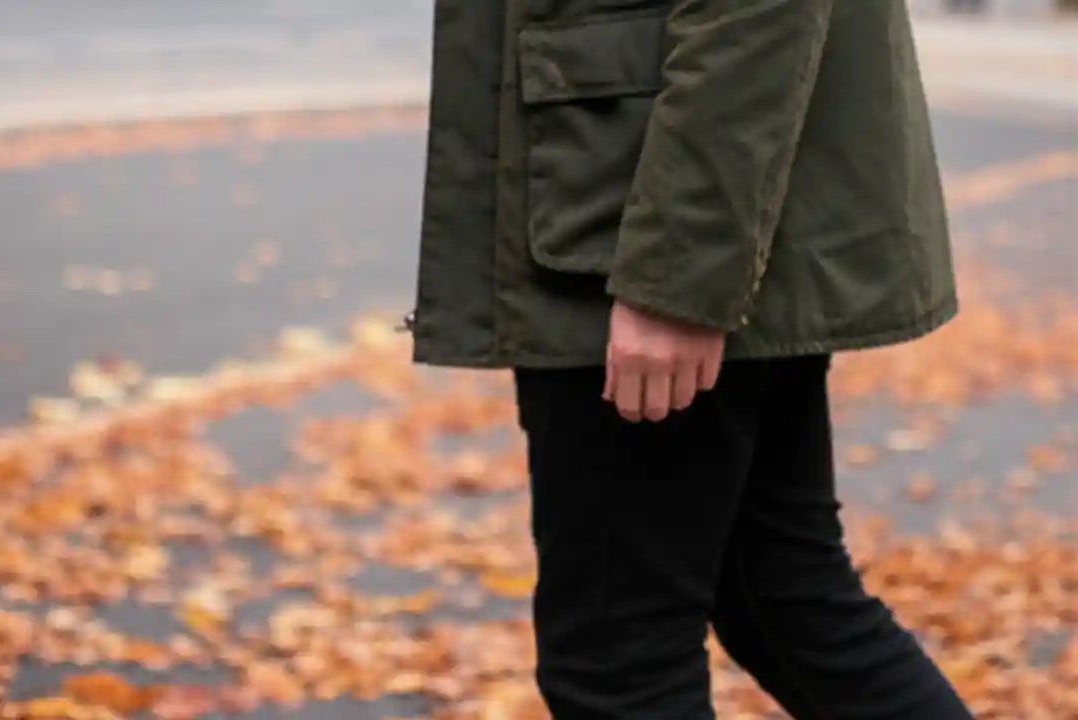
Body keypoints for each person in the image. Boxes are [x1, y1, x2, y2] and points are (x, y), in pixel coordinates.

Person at [408, 0, 974, 718]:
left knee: (622, 665)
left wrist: (680, 271)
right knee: (779, 597)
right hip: (647, 174)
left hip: (637, 201)